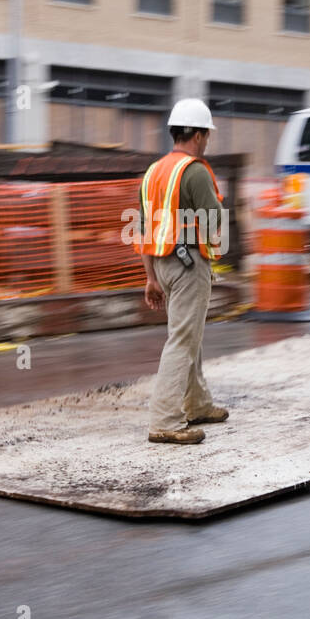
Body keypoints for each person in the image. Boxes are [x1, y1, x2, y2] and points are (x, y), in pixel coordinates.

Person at [134, 98, 229, 445]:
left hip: (163, 263)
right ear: (200, 135)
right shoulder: (195, 170)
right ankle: (165, 419)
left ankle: (197, 403)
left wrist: (150, 277)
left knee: (189, 334)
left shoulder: (154, 172)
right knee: (182, 339)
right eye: (207, 135)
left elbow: (143, 229)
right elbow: (215, 218)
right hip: (189, 265)